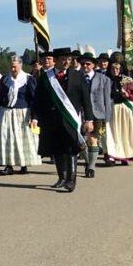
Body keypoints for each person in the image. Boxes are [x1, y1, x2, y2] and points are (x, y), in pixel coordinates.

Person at [34, 46, 93, 191]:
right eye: (63, 59)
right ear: (56, 60)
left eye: (69, 59)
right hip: (51, 119)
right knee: (57, 149)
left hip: (70, 118)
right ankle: (62, 177)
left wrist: (89, 119)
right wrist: (35, 117)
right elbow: (38, 100)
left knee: (71, 148)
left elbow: (86, 99)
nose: (66, 62)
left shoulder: (77, 75)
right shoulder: (46, 77)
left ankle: (71, 180)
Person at [0, 54, 38, 174]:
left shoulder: (28, 79)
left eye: (15, 67)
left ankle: (23, 165)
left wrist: (34, 117)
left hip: (22, 112)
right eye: (11, 67)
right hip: (7, 112)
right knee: (6, 138)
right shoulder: (5, 79)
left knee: (21, 139)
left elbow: (34, 99)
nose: (13, 69)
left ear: (21, 65)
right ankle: (8, 165)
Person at [81, 53, 111, 177]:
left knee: (93, 140)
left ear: (94, 65)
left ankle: (91, 167)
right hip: (80, 113)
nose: (85, 66)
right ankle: (88, 161)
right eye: (83, 64)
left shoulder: (104, 79)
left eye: (88, 64)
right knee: (81, 141)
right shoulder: (76, 77)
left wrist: (107, 117)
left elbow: (107, 99)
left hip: (97, 113)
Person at [104, 61, 133, 165]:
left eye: (117, 69)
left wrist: (128, 95)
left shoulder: (128, 81)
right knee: (112, 133)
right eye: (113, 69)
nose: (115, 71)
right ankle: (111, 156)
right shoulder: (106, 80)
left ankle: (124, 156)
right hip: (112, 109)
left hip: (125, 110)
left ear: (120, 70)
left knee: (125, 133)